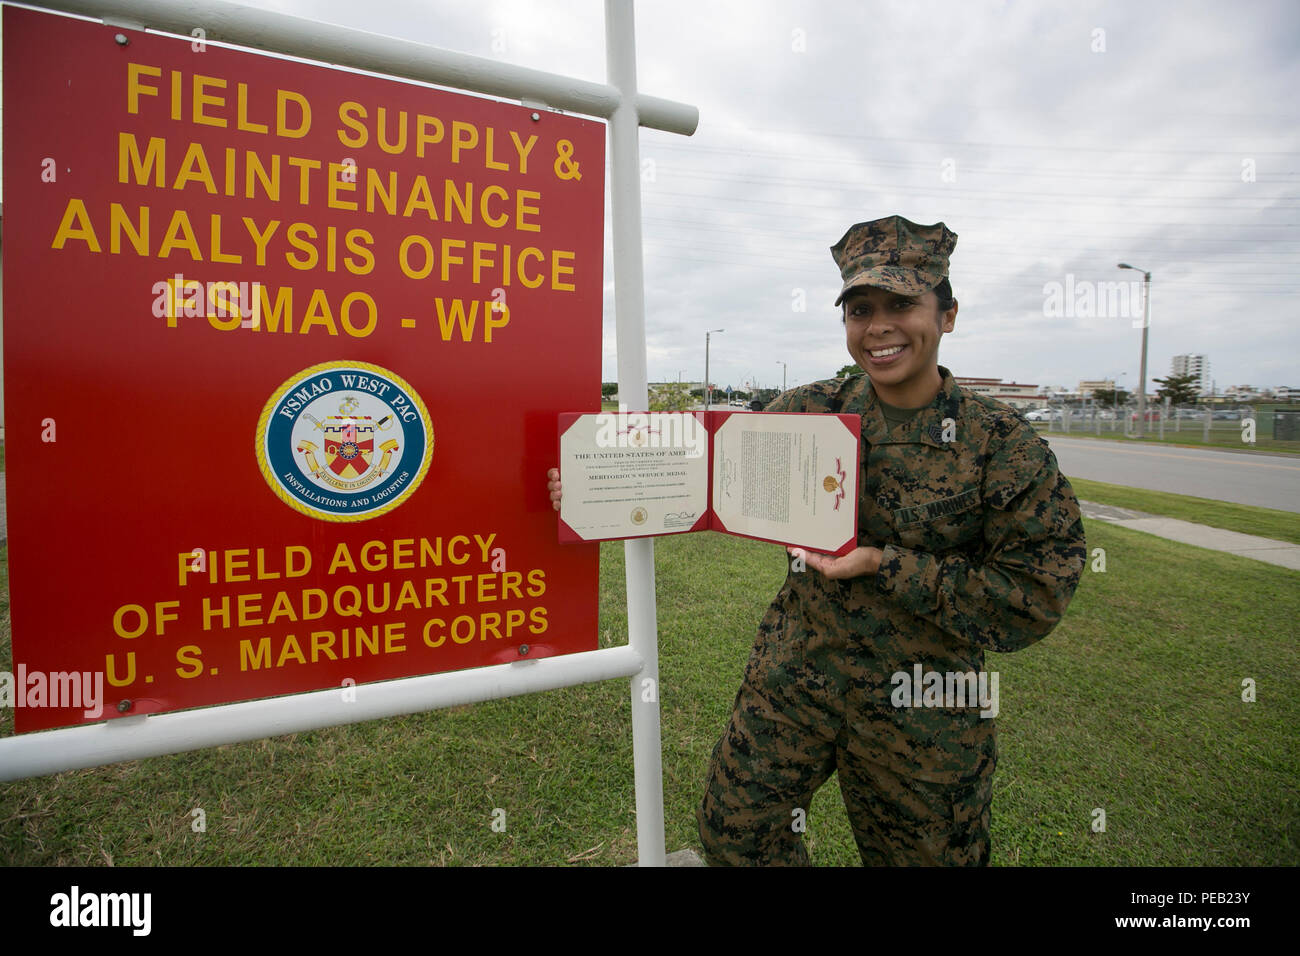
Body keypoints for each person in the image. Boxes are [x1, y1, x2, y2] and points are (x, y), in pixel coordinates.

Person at [550, 215, 1087, 865]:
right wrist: (594, 484)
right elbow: (703, 474)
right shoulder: (810, 409)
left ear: (947, 316)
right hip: (794, 678)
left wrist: (885, 564)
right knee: (736, 838)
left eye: (902, 304)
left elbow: (1036, 594)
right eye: (861, 309)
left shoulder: (998, 444)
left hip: (922, 708)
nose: (879, 325)